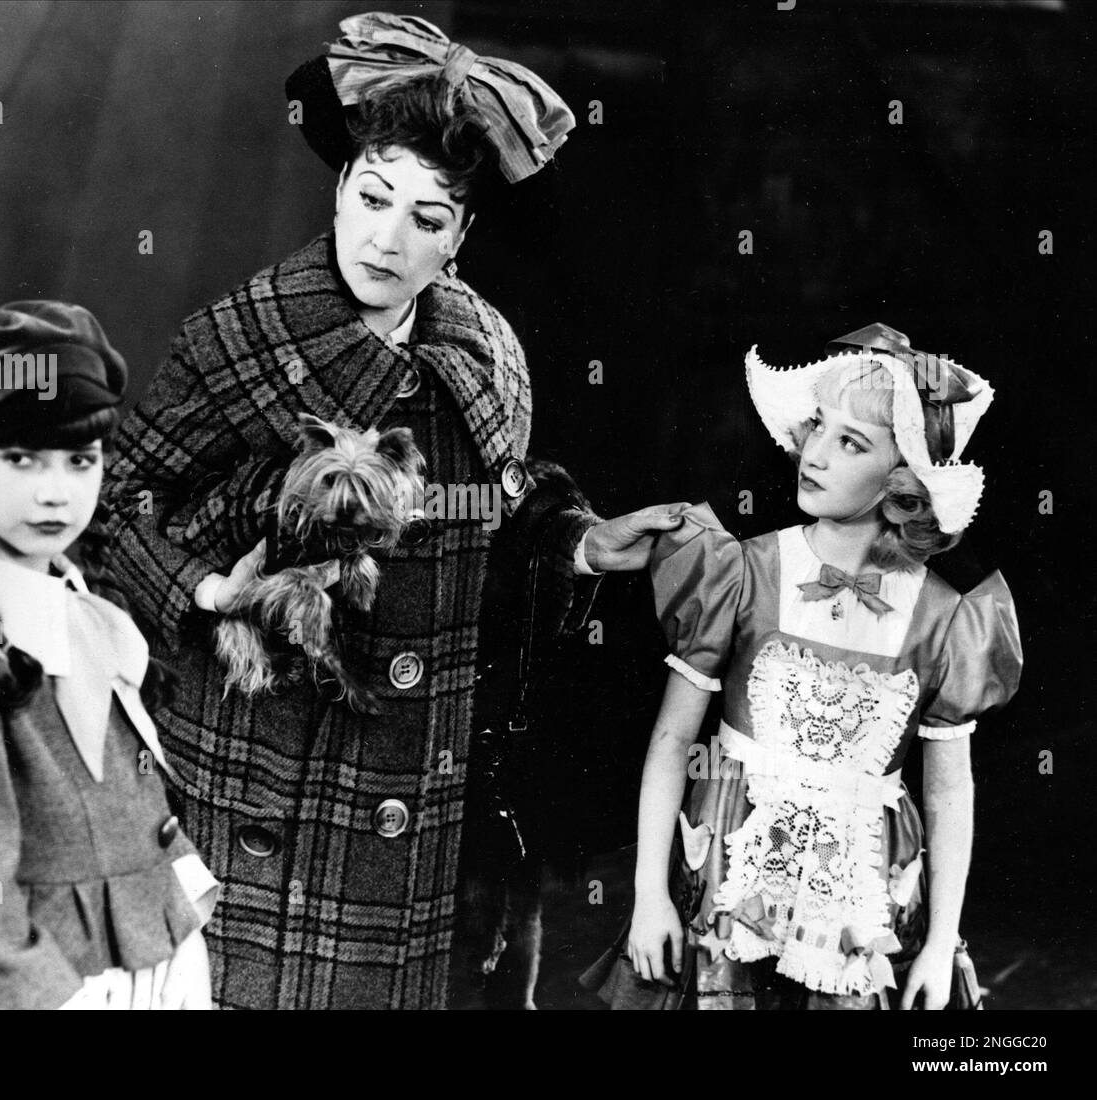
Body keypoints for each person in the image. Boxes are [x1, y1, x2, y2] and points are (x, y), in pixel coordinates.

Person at [102, 12, 681, 1009]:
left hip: (421, 782)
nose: (386, 236)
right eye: (372, 197)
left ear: (461, 233)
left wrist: (583, 543)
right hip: (266, 775)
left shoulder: (484, 356)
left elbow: (494, 507)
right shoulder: (239, 339)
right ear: (338, 185)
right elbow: (114, 502)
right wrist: (203, 584)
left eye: (426, 216)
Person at [582, 323, 1023, 1009]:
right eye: (817, 426)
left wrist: (942, 941)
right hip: (727, 868)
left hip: (863, 889)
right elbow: (672, 741)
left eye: (850, 442)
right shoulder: (739, 572)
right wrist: (646, 896)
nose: (814, 453)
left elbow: (948, 794)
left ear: (903, 480)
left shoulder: (946, 618)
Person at [0, 301, 220, 1009]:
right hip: (52, 982)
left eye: (79, 461)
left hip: (153, 952)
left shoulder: (83, 601)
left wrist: (183, 905)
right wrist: (47, 997)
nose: (55, 491)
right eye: (19, 459)